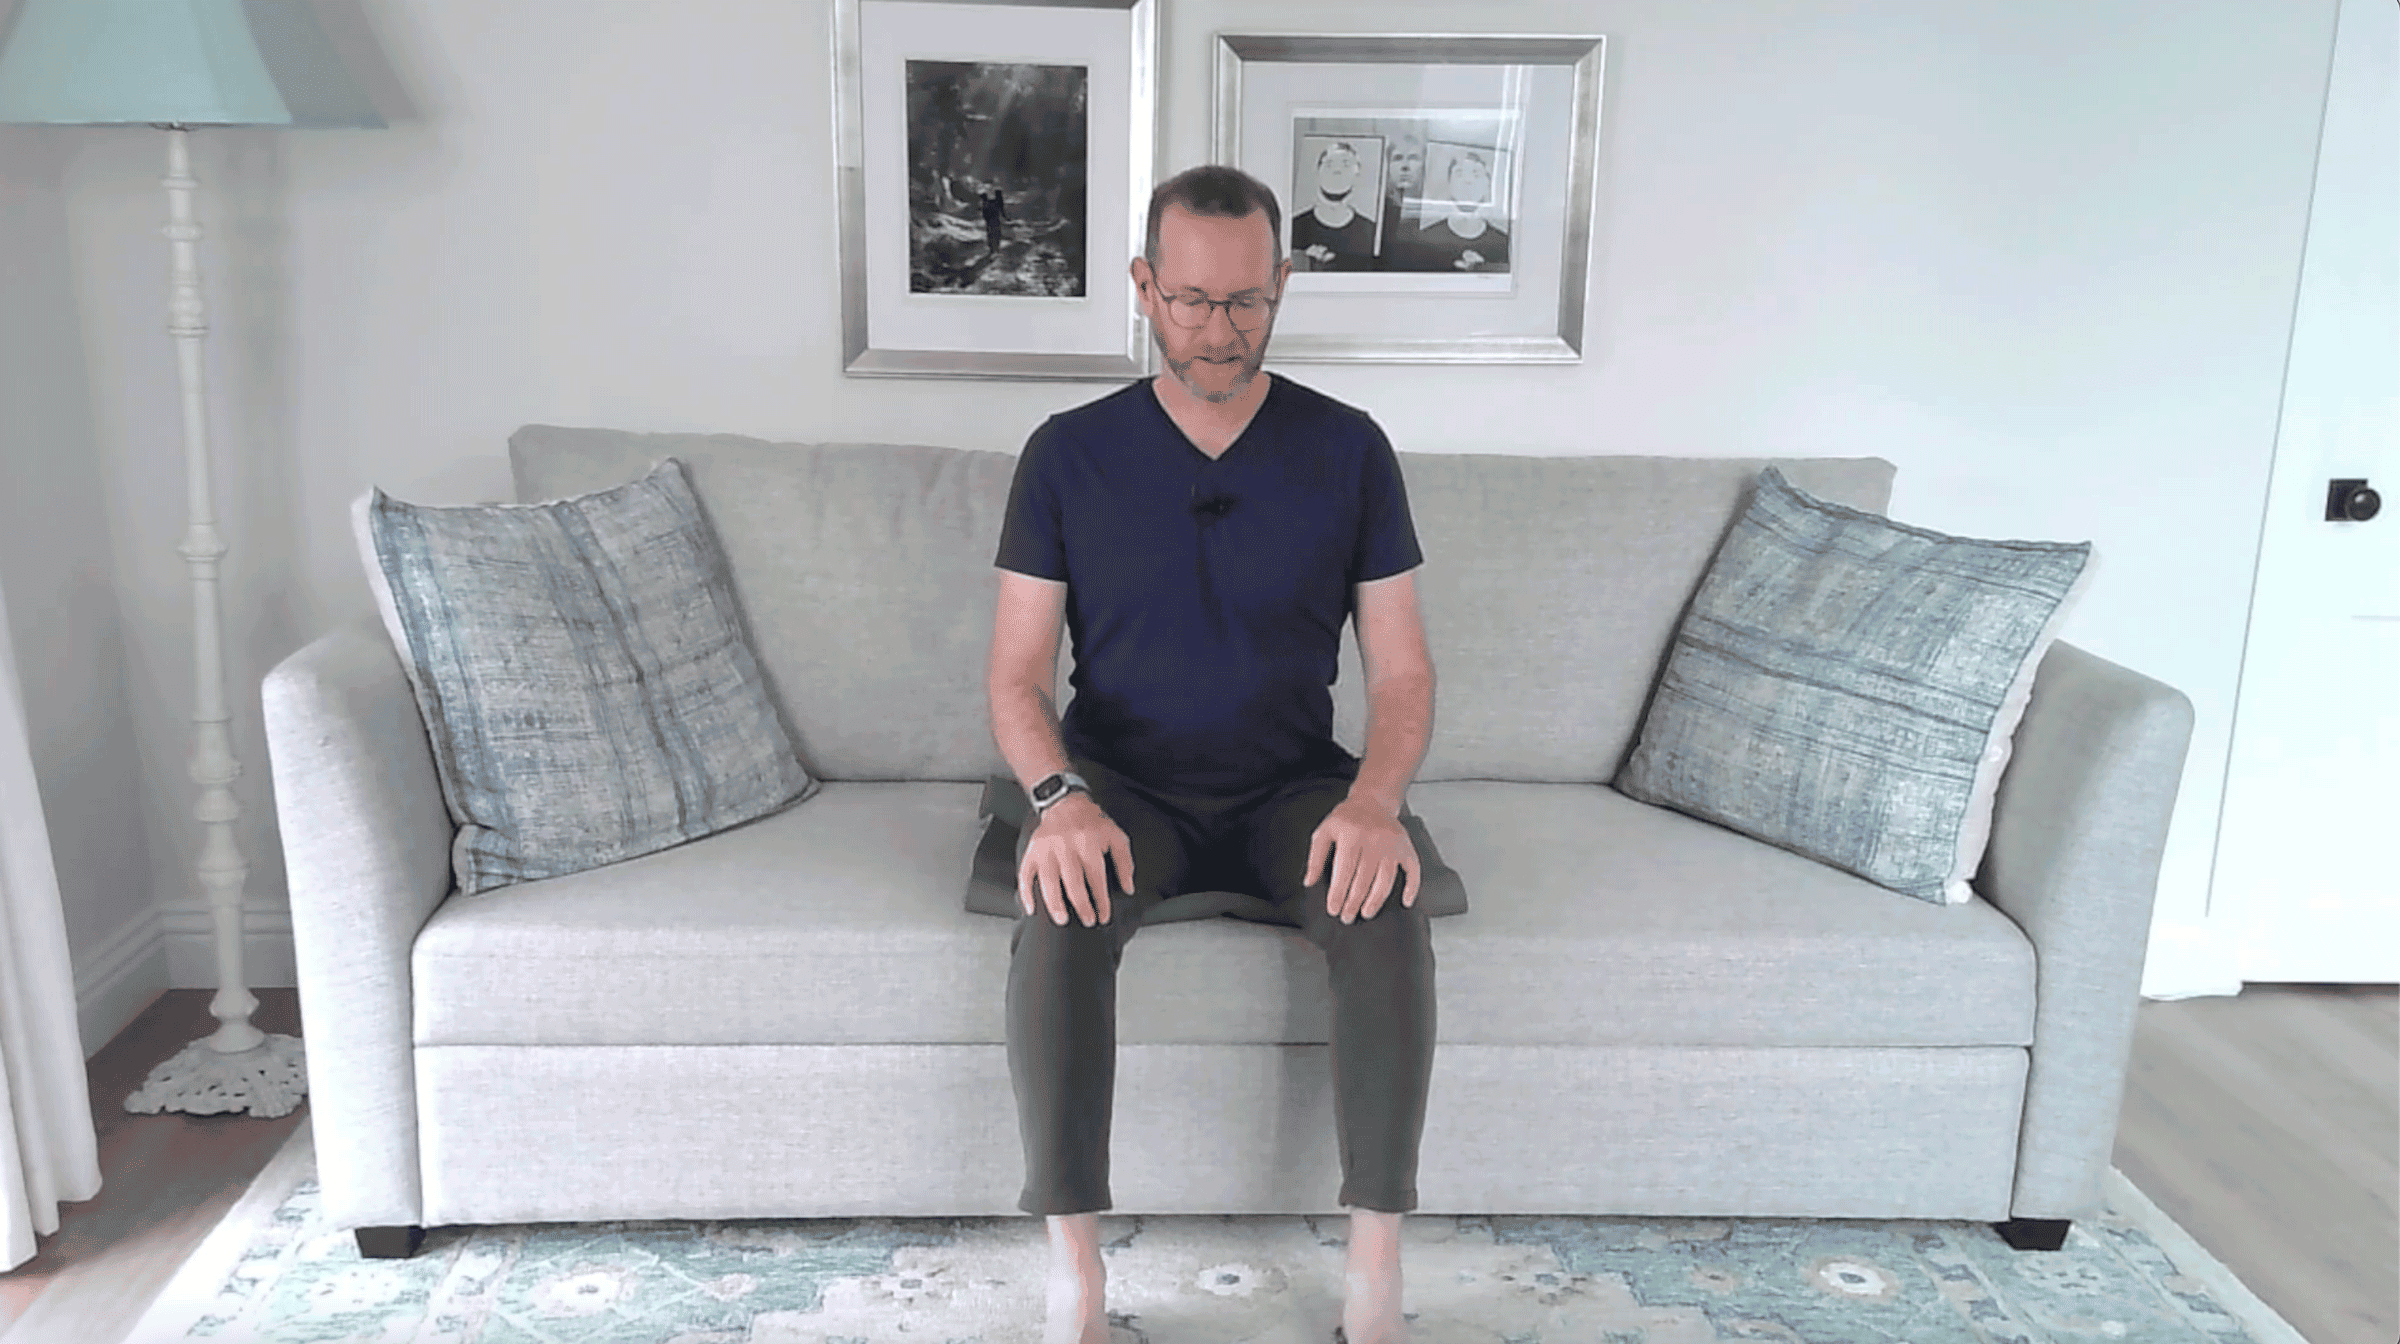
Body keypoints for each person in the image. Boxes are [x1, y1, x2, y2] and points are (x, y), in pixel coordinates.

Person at [988, 163, 1437, 1344]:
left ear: (1282, 285)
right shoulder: (1065, 452)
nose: (1219, 329)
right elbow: (1016, 675)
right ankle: (1076, 1279)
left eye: (1246, 302)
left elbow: (1400, 671)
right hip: (1121, 787)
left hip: (1291, 783)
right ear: (1144, 286)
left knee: (1384, 900)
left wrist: (1378, 799)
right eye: (1191, 300)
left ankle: (1375, 1280)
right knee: (1061, 907)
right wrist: (1057, 797)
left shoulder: (1349, 449)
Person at [1391, 149, 1510, 273]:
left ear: (1488, 184)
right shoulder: (1425, 240)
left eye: (1476, 175)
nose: (1468, 181)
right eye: (1459, 173)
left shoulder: (1504, 245)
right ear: (1449, 182)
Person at [1290, 140, 1377, 271]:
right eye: (1329, 164)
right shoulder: (1295, 227)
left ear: (1357, 174)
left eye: (1346, 165)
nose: (1337, 171)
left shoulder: (1371, 232)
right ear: (1317, 171)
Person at [981, 184, 1009, 254]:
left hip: (990, 218)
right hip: (994, 218)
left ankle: (992, 248)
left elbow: (984, 210)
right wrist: (1005, 217)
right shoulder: (998, 198)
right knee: (996, 232)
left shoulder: (986, 198)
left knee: (991, 232)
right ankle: (995, 248)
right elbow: (1001, 209)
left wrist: (985, 217)